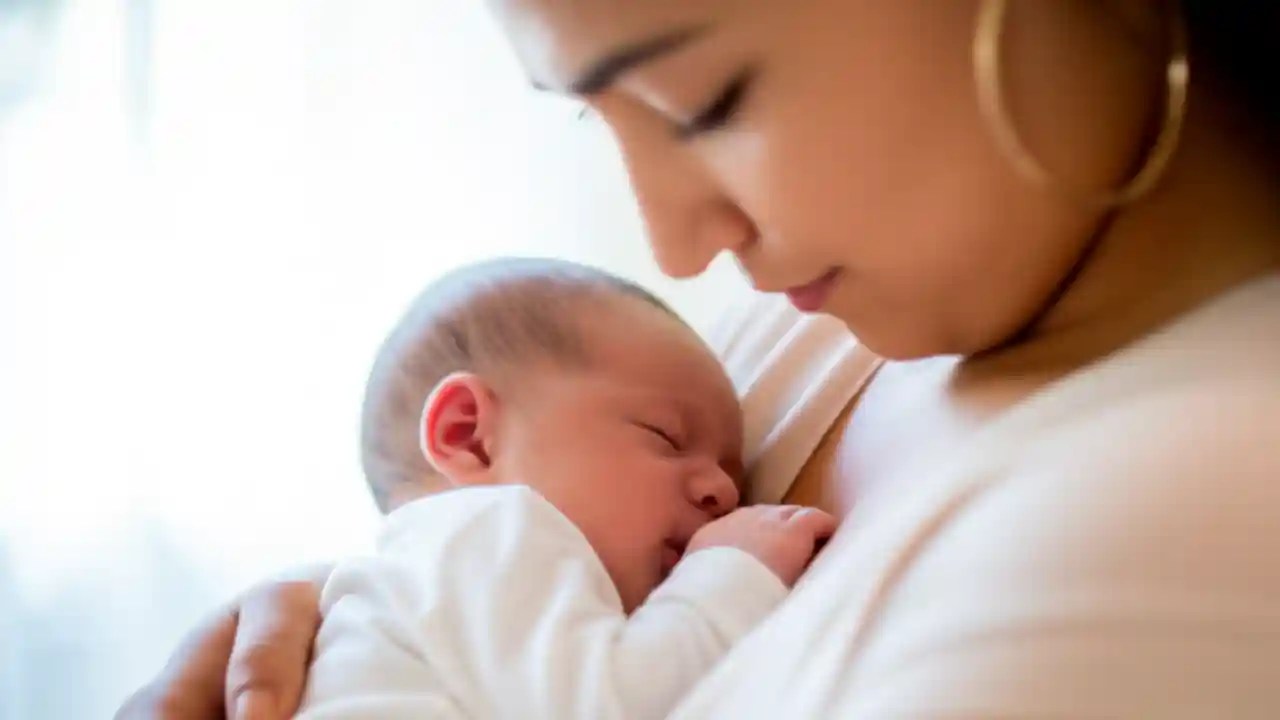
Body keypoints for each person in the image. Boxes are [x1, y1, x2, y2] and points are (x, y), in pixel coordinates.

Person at [118, 1, 1280, 718]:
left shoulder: (1191, 517)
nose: (680, 245)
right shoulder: (814, 320)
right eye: (596, 116)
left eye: (704, 99)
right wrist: (339, 628)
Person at [294, 258, 834, 719]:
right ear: (470, 436)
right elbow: (605, 706)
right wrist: (729, 575)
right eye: (665, 436)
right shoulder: (485, 529)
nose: (721, 491)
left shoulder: (428, 592)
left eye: (735, 480)